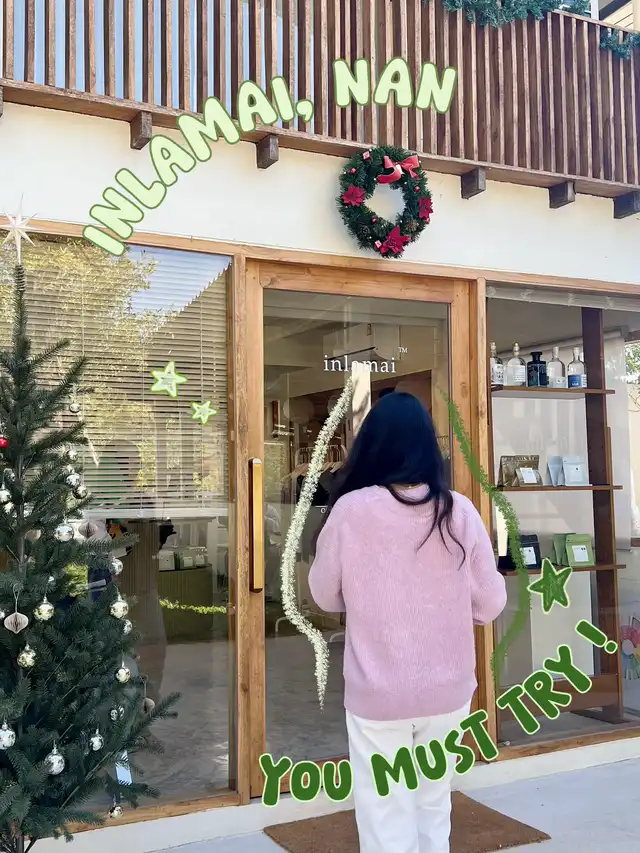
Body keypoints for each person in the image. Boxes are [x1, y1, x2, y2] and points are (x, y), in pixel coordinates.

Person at [308, 392, 506, 853]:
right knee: (434, 803)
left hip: (377, 693)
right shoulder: (458, 510)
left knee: (384, 811)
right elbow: (490, 604)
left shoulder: (351, 511)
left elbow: (323, 594)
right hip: (448, 691)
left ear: (371, 447)